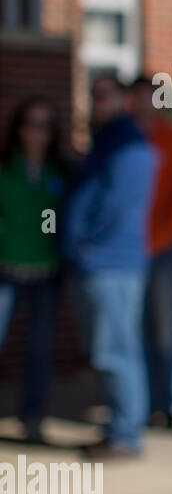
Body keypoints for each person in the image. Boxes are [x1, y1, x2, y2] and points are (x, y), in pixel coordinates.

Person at [63, 76, 158, 458]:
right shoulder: (107, 139)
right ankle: (121, 426)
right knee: (109, 349)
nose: (97, 103)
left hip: (112, 264)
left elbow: (121, 203)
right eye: (93, 95)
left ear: (123, 100)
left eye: (105, 96)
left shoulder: (128, 142)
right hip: (100, 263)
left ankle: (125, 435)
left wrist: (88, 245)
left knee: (117, 350)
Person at [126, 76, 172, 427]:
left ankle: (171, 403)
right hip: (128, 248)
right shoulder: (121, 137)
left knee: (167, 325)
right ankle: (140, 403)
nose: (143, 105)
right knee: (135, 327)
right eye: (137, 98)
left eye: (149, 98)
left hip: (166, 245)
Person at [0, 97, 68, 441]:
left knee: (39, 350)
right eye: (31, 123)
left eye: (45, 125)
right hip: (7, 270)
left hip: (46, 274)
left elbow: (59, 222)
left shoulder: (61, 171)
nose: (38, 132)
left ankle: (33, 417)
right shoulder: (5, 167)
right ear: (19, 128)